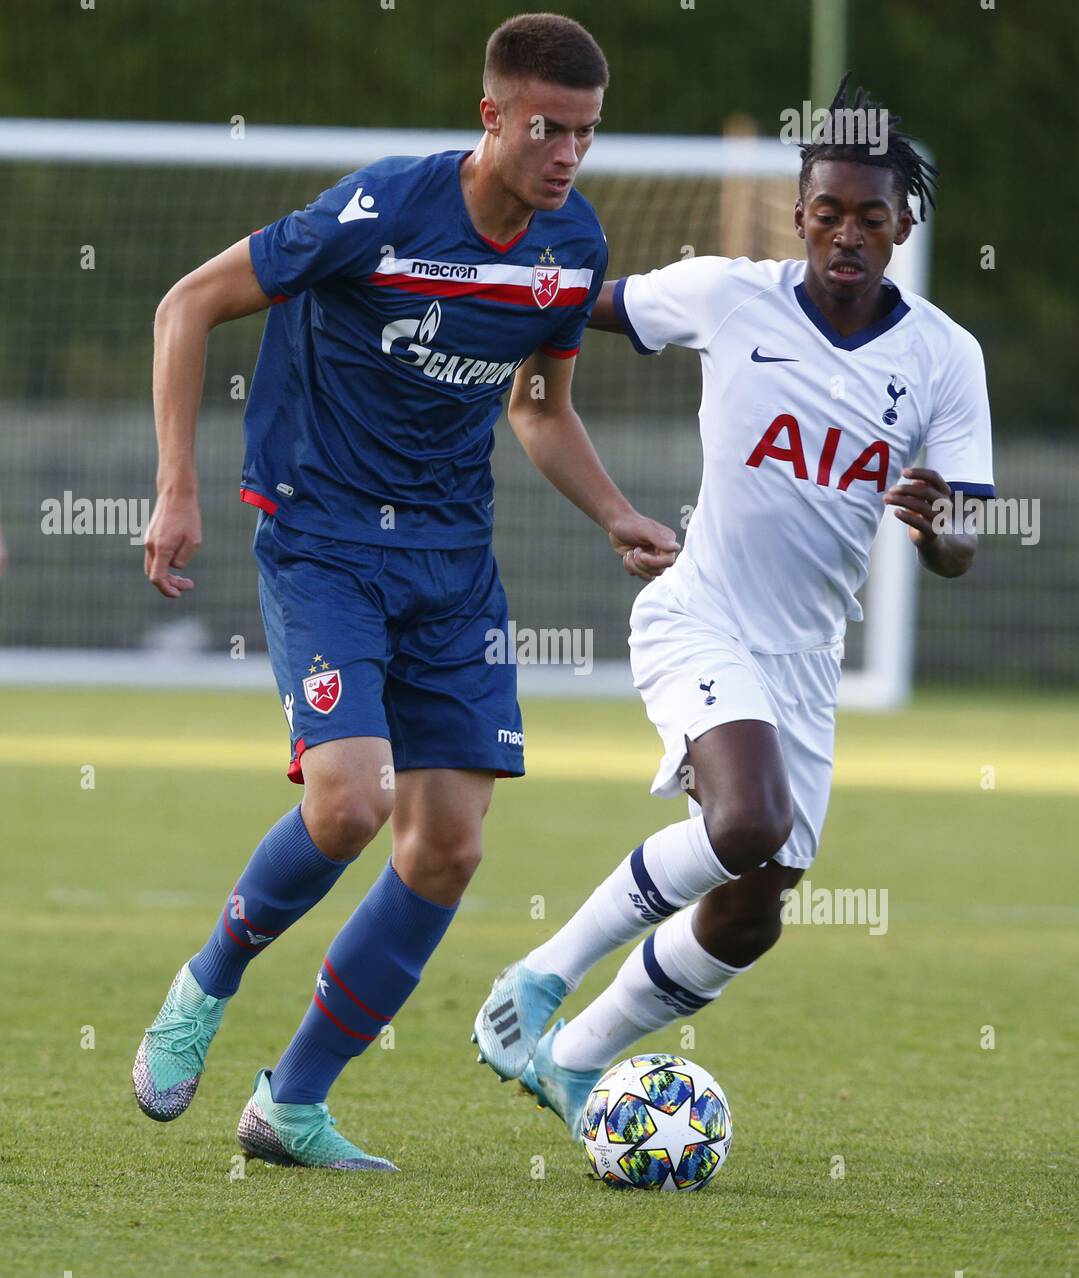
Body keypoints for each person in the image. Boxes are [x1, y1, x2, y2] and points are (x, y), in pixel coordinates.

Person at [134, 11, 677, 1171]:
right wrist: (176, 489)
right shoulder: (378, 211)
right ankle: (207, 980)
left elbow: (537, 408)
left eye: (585, 132)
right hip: (322, 537)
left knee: (447, 849)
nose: (568, 154)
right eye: (547, 128)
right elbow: (186, 305)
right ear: (491, 117)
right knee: (348, 804)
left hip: (451, 562)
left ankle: (290, 1106)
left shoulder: (566, 244)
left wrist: (616, 512)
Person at [474, 76, 995, 1141]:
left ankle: (572, 1061)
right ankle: (533, 982)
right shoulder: (723, 294)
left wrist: (937, 530)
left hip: (805, 655)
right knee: (742, 818)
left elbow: (962, 543)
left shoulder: (944, 358)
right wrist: (479, 298)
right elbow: (579, 303)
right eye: (825, 213)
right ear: (797, 214)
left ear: (904, 224)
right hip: (695, 611)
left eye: (869, 217)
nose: (845, 234)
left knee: (753, 906)